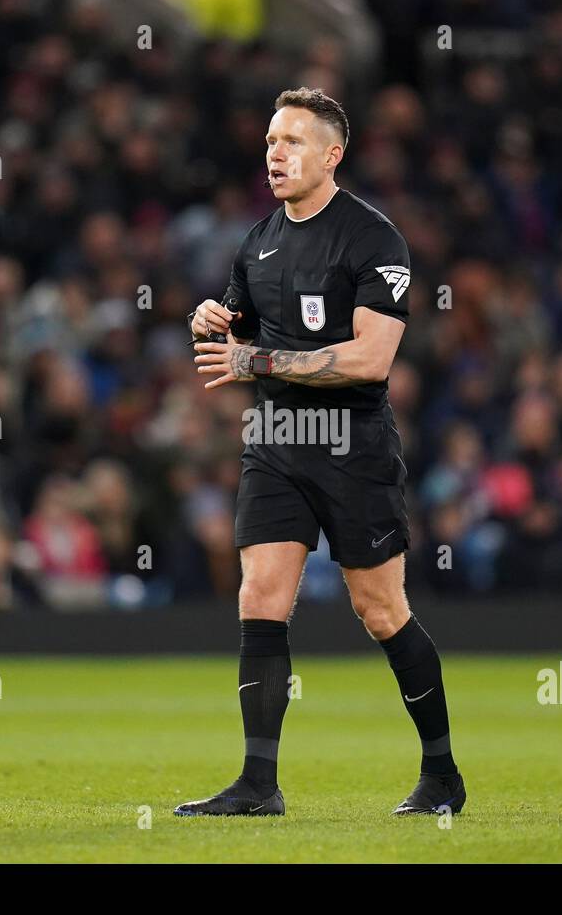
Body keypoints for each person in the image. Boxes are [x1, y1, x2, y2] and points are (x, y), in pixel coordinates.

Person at [176, 88, 464, 817]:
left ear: (332, 155)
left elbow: (371, 360)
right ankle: (258, 783)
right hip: (276, 442)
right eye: (271, 140)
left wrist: (258, 364)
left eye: (293, 141)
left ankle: (441, 774)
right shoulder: (258, 242)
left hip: (351, 444)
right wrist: (211, 320)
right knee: (260, 597)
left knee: (380, 609)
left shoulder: (373, 239)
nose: (275, 153)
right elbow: (237, 340)